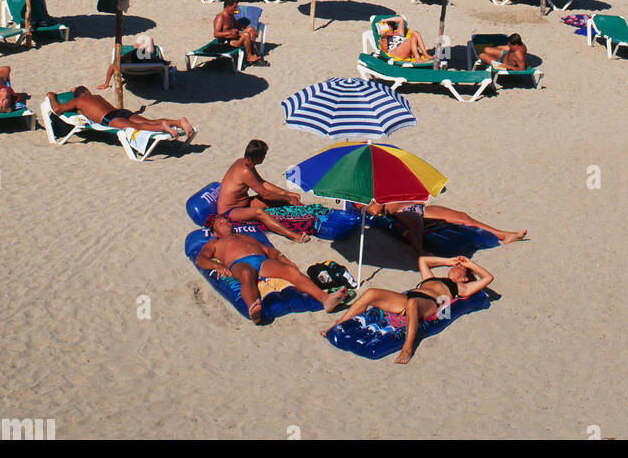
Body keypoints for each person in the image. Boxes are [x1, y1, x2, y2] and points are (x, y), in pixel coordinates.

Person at [322, 254, 495, 364]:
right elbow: (422, 260)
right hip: (406, 298)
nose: (456, 266)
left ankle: (407, 348)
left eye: (460, 268)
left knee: (413, 304)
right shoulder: (431, 279)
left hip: (428, 304)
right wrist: (448, 260)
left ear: (465, 279)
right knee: (371, 293)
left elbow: (488, 278)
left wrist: (470, 264)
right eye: (456, 265)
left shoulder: (461, 288)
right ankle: (336, 325)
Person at [194, 216, 346, 323]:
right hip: (239, 264)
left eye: (225, 220)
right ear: (214, 233)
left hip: (262, 261)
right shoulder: (214, 243)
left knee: (290, 271)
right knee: (247, 275)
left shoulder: (246, 236)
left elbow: (268, 250)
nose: (224, 222)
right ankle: (254, 310)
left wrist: (281, 257)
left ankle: (325, 299)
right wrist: (217, 265)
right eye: (220, 223)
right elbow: (200, 259)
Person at [212, 141, 311, 241]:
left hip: (243, 204)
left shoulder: (245, 163)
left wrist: (286, 193)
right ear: (259, 158)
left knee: (279, 200)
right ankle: (293, 236)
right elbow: (265, 194)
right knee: (259, 212)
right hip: (229, 211)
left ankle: (308, 211)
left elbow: (262, 182)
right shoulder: (244, 171)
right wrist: (288, 198)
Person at [367, 200, 526, 252]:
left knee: (463, 217)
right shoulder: (363, 194)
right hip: (402, 212)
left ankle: (504, 235)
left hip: (418, 207)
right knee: (416, 225)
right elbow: (373, 210)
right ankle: (420, 252)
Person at [45, 87, 193, 140]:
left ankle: (164, 128)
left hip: (109, 119)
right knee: (148, 121)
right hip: (120, 111)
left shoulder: (78, 101)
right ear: (86, 91)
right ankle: (178, 122)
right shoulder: (96, 97)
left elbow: (57, 109)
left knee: (137, 128)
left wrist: (51, 96)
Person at [213, 0, 262, 64]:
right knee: (246, 35)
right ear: (228, 6)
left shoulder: (230, 15)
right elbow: (216, 34)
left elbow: (238, 26)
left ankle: (252, 52)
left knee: (251, 29)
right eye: (234, 7)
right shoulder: (220, 17)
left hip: (233, 38)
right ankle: (249, 57)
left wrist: (252, 31)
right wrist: (229, 33)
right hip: (226, 43)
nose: (236, 9)